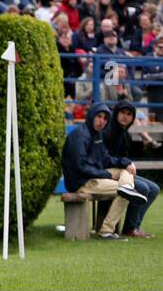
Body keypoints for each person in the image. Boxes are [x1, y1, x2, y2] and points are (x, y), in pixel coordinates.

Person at [61, 102, 148, 239]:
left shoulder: (97, 134)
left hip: (94, 176)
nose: (102, 121)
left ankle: (127, 187)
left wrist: (127, 163)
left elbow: (106, 159)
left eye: (105, 118)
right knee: (126, 193)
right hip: (81, 182)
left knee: (126, 172)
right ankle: (106, 231)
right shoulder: (80, 136)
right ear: (91, 116)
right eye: (99, 116)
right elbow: (81, 167)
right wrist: (105, 174)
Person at [105, 100, 157, 238]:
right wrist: (125, 163)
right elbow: (104, 159)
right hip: (106, 173)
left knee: (154, 189)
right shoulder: (108, 131)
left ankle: (134, 226)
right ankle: (130, 228)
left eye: (129, 114)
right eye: (122, 113)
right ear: (116, 113)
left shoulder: (125, 135)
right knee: (143, 188)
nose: (125, 116)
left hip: (122, 173)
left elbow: (124, 158)